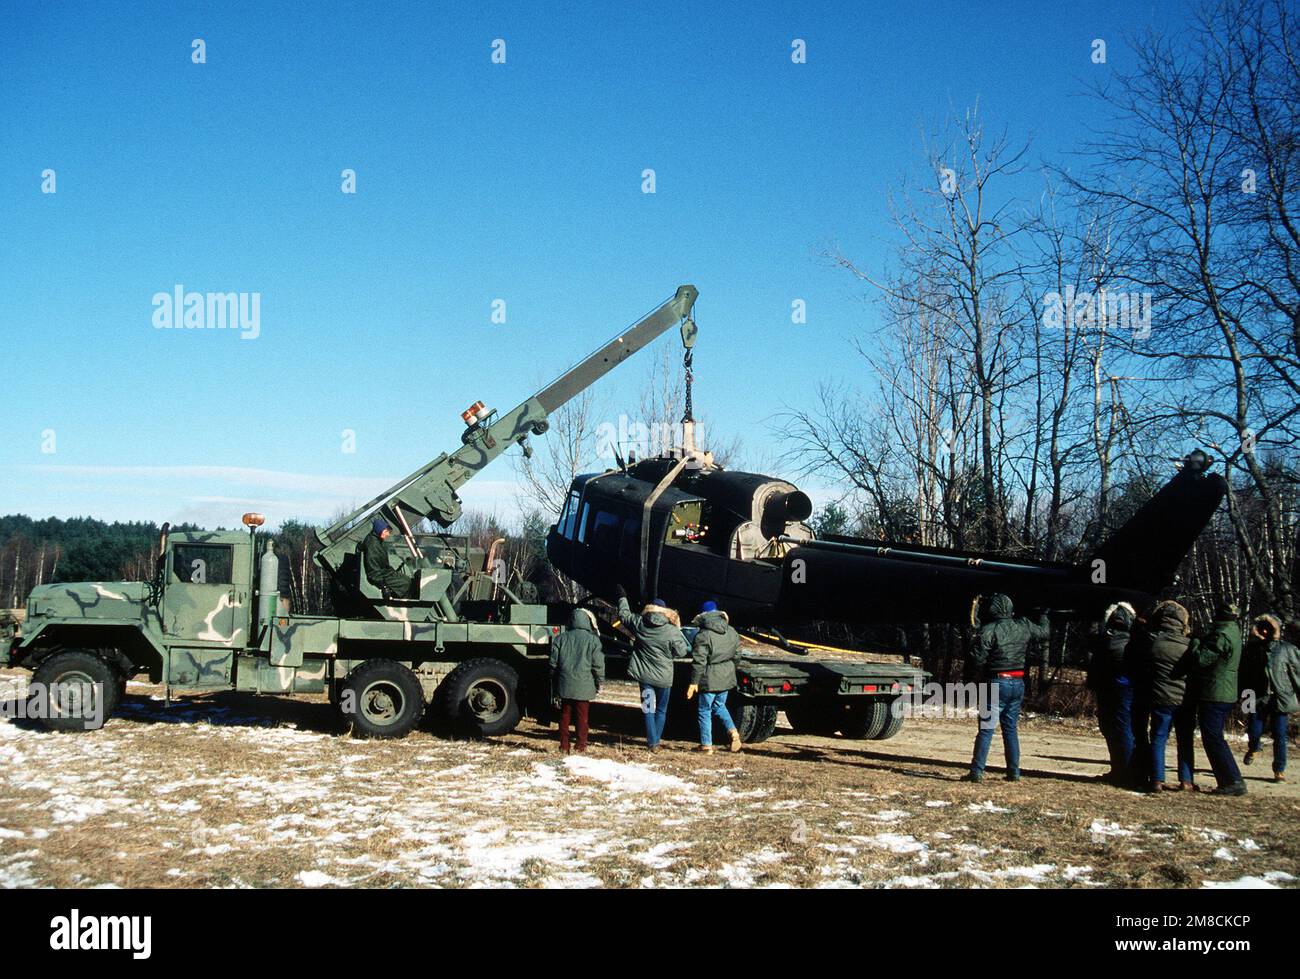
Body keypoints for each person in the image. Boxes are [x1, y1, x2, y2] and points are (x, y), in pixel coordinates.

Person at [962, 593, 1050, 783]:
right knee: (1010, 729)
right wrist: (1043, 613)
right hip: (1017, 682)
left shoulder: (989, 630)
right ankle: (1014, 772)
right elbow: (1044, 633)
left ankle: (976, 772)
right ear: (1010, 609)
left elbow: (976, 658)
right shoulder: (1023, 625)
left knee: (986, 729)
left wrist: (975, 635)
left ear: (992, 610)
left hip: (996, 682)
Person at [615, 584, 688, 752]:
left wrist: (622, 597)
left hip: (644, 677)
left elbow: (624, 615)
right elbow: (682, 651)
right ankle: (655, 742)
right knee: (661, 710)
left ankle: (652, 743)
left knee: (648, 709)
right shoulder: (671, 630)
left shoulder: (640, 623)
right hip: (664, 678)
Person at [1138, 600, 1198, 792]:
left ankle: (1157, 779)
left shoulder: (1153, 643)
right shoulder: (1189, 645)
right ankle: (1186, 780)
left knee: (1158, 737)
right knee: (1185, 739)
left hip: (1160, 697)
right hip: (1185, 699)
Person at [1192, 601, 1246, 796]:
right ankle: (1228, 780)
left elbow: (1201, 659)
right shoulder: (1234, 632)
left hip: (1215, 691)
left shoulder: (1221, 635)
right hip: (1226, 691)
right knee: (1215, 737)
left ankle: (1232, 780)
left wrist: (1196, 641)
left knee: (1213, 738)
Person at [1242, 614, 1300, 783]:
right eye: (1262, 627)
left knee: (1280, 735)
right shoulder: (1251, 648)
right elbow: (1244, 673)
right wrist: (1242, 697)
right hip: (1254, 696)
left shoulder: (1287, 649)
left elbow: (1297, 672)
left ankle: (1279, 770)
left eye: (1269, 627)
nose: (1265, 631)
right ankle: (1253, 748)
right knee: (1253, 730)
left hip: (1279, 697)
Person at [1087, 602, 1137, 784]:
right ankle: (1123, 770)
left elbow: (1092, 640)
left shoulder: (1107, 639)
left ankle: (1124, 772)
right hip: (1125, 689)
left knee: (1115, 729)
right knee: (1121, 729)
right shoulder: (1134, 638)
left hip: (1113, 688)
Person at [686, 600, 743, 754]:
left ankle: (706, 745)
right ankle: (733, 732)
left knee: (704, 710)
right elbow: (737, 655)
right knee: (719, 705)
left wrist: (694, 682)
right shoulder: (731, 631)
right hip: (727, 675)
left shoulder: (703, 635)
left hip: (709, 678)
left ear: (702, 616)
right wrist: (730, 668)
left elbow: (699, 661)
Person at [548, 607, 605, 754]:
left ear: (572, 621)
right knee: (582, 717)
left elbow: (553, 663)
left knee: (564, 716)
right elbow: (598, 664)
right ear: (587, 622)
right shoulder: (593, 640)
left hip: (564, 683)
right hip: (584, 685)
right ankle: (581, 745)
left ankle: (564, 745)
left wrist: (554, 678)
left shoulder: (560, 638)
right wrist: (600, 682)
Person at [359, 518, 415, 599]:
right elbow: (373, 571)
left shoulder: (377, 540)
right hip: (378, 576)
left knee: (406, 579)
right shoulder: (373, 545)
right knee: (405, 583)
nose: (388, 534)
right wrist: (383, 586)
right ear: (379, 531)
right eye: (386, 531)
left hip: (383, 573)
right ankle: (403, 606)